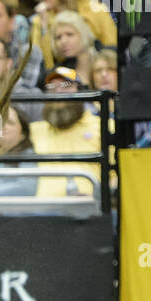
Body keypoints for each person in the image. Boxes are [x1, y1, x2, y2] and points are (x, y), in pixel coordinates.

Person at [29, 65, 108, 200]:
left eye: (66, 86)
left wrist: (99, 195)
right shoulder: (34, 130)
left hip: (90, 208)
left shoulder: (103, 126)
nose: (58, 91)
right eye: (51, 87)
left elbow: (117, 177)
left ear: (81, 91)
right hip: (41, 211)